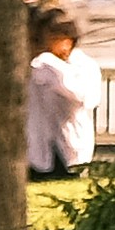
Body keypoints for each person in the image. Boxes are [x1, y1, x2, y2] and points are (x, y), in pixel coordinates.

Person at [23, 14, 96, 183]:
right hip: (37, 145)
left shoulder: (83, 65)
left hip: (70, 144)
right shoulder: (34, 66)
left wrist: (54, 68)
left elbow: (87, 98)